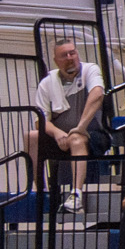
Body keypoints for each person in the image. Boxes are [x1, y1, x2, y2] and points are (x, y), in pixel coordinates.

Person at [29, 38, 105, 202]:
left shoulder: (90, 70)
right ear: (56, 61)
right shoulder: (48, 83)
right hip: (62, 137)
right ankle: (41, 190)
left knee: (76, 138)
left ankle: (76, 193)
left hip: (93, 134)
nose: (70, 57)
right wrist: (57, 133)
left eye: (73, 52)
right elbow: (40, 120)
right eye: (64, 55)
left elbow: (97, 94)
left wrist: (80, 127)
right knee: (32, 136)